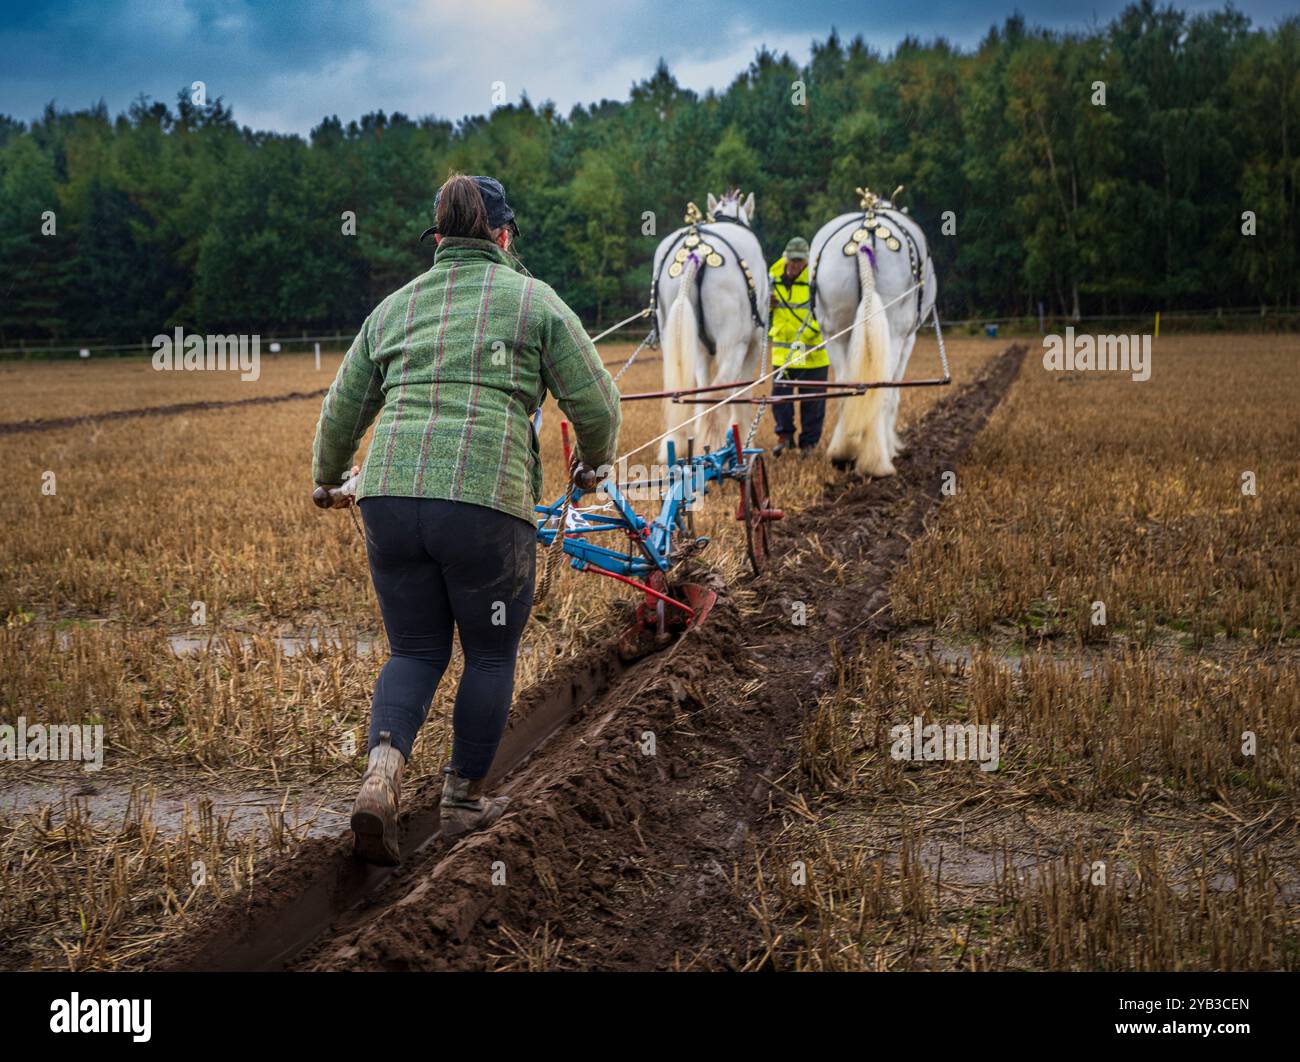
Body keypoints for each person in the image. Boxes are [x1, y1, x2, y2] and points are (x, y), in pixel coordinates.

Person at [312, 173, 621, 864]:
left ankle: (380, 776)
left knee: (415, 650)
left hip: (390, 502)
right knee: (488, 651)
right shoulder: (534, 303)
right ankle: (464, 800)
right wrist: (592, 468)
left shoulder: (392, 310)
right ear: (504, 238)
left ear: (441, 239)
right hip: (485, 506)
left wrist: (328, 480)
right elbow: (597, 407)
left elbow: (340, 414)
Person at [768, 237, 828, 455]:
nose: (794, 265)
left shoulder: (817, 280)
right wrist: (768, 304)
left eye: (799, 261)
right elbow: (761, 313)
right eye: (792, 260)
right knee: (780, 398)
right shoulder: (771, 278)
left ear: (806, 261)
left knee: (812, 400)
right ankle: (784, 437)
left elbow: (824, 313)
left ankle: (808, 443)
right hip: (783, 351)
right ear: (785, 257)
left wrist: (806, 338)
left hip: (811, 351)